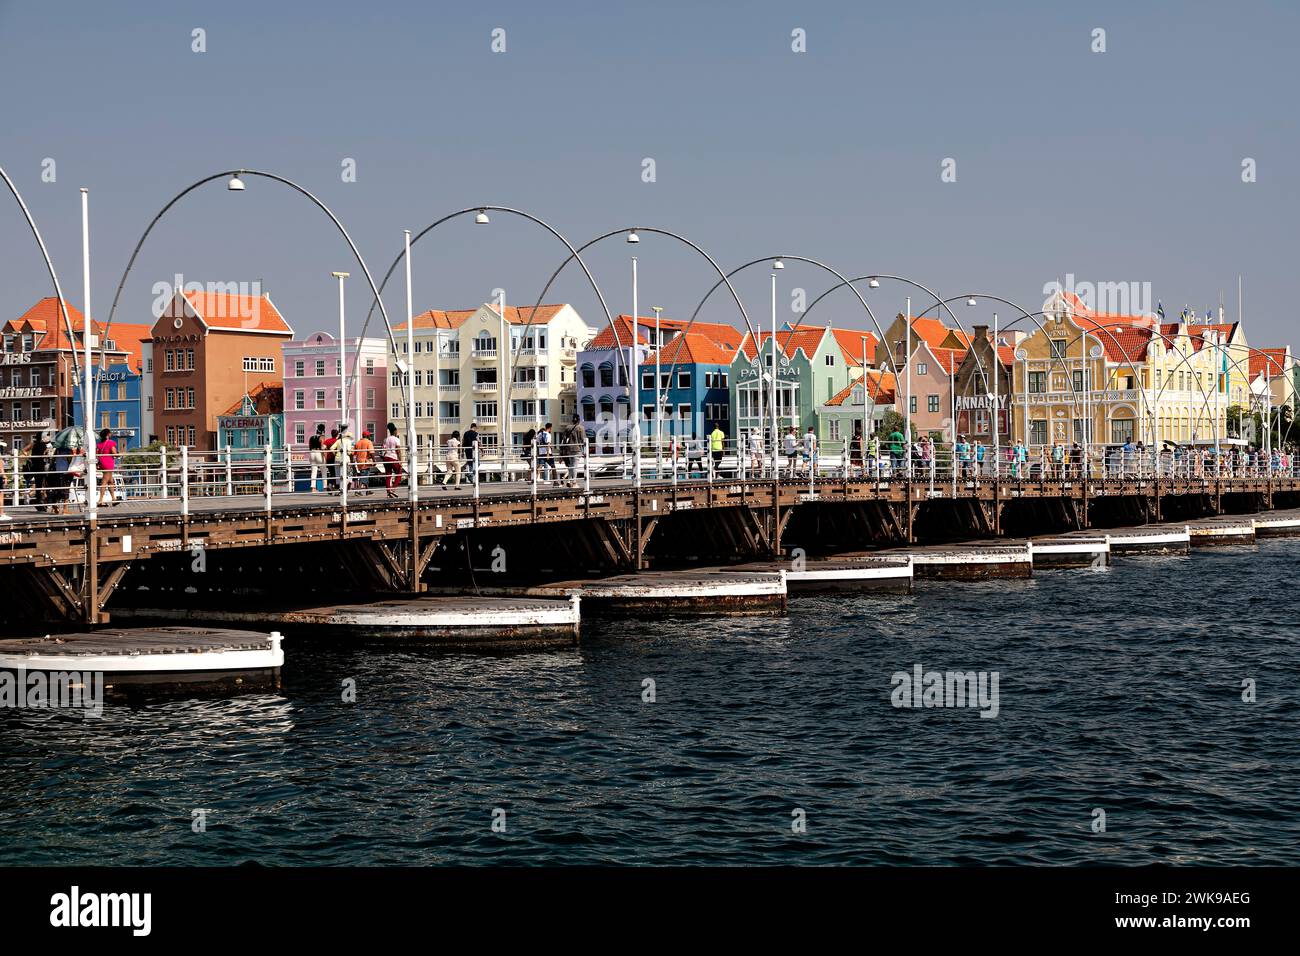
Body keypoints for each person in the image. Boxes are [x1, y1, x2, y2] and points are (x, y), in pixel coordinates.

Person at [558, 415, 584, 488]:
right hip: (577, 449)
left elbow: (564, 438)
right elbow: (583, 439)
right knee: (575, 466)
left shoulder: (568, 427)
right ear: (579, 420)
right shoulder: (581, 428)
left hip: (569, 449)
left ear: (572, 420)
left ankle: (569, 480)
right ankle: (574, 482)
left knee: (571, 466)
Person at [96, 428, 118, 506]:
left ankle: (113, 499)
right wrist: (118, 454)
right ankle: (100, 501)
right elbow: (114, 453)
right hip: (108, 463)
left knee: (110, 481)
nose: (111, 434)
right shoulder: (111, 442)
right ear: (108, 434)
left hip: (102, 463)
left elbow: (97, 454)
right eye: (110, 433)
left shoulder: (99, 444)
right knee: (104, 481)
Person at [381, 422, 403, 499]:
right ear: (395, 431)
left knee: (388, 475)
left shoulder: (386, 439)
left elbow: (383, 449)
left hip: (386, 458)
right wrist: (400, 460)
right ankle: (393, 490)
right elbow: (398, 451)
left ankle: (388, 492)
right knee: (399, 472)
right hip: (393, 457)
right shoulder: (397, 439)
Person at [308, 424, 326, 493]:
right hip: (319, 453)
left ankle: (313, 487)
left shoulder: (311, 437)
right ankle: (324, 487)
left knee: (313, 471)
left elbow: (309, 447)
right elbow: (322, 447)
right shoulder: (322, 437)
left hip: (312, 453)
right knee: (323, 470)